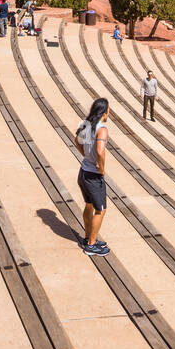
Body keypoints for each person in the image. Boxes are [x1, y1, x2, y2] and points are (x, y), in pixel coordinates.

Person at [75, 97, 110, 256]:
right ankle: (91, 245)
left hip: (83, 172)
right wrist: (101, 168)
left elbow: (77, 140)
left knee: (89, 206)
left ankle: (88, 237)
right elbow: (100, 151)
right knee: (100, 210)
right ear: (104, 112)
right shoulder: (102, 129)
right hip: (94, 177)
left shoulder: (86, 125)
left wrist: (86, 156)